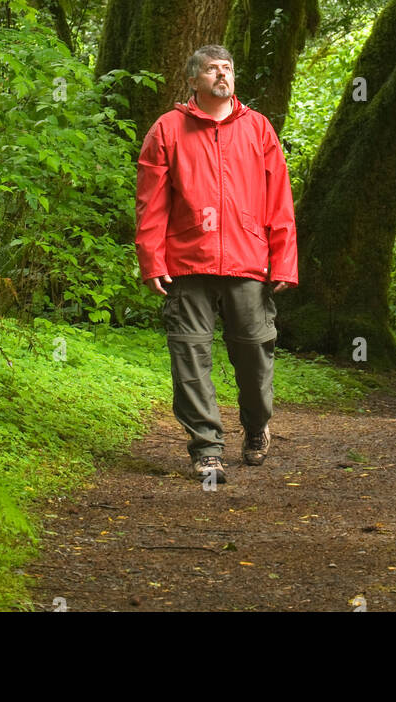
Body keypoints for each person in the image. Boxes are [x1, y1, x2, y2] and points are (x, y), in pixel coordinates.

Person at [134, 44, 298, 484]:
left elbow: (279, 199)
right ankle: (206, 449)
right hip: (187, 263)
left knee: (254, 356)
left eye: (227, 68)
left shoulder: (259, 129)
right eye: (211, 69)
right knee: (190, 357)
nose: (221, 75)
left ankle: (257, 424)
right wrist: (152, 260)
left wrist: (283, 261)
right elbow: (151, 204)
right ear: (193, 80)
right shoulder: (167, 130)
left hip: (249, 261)